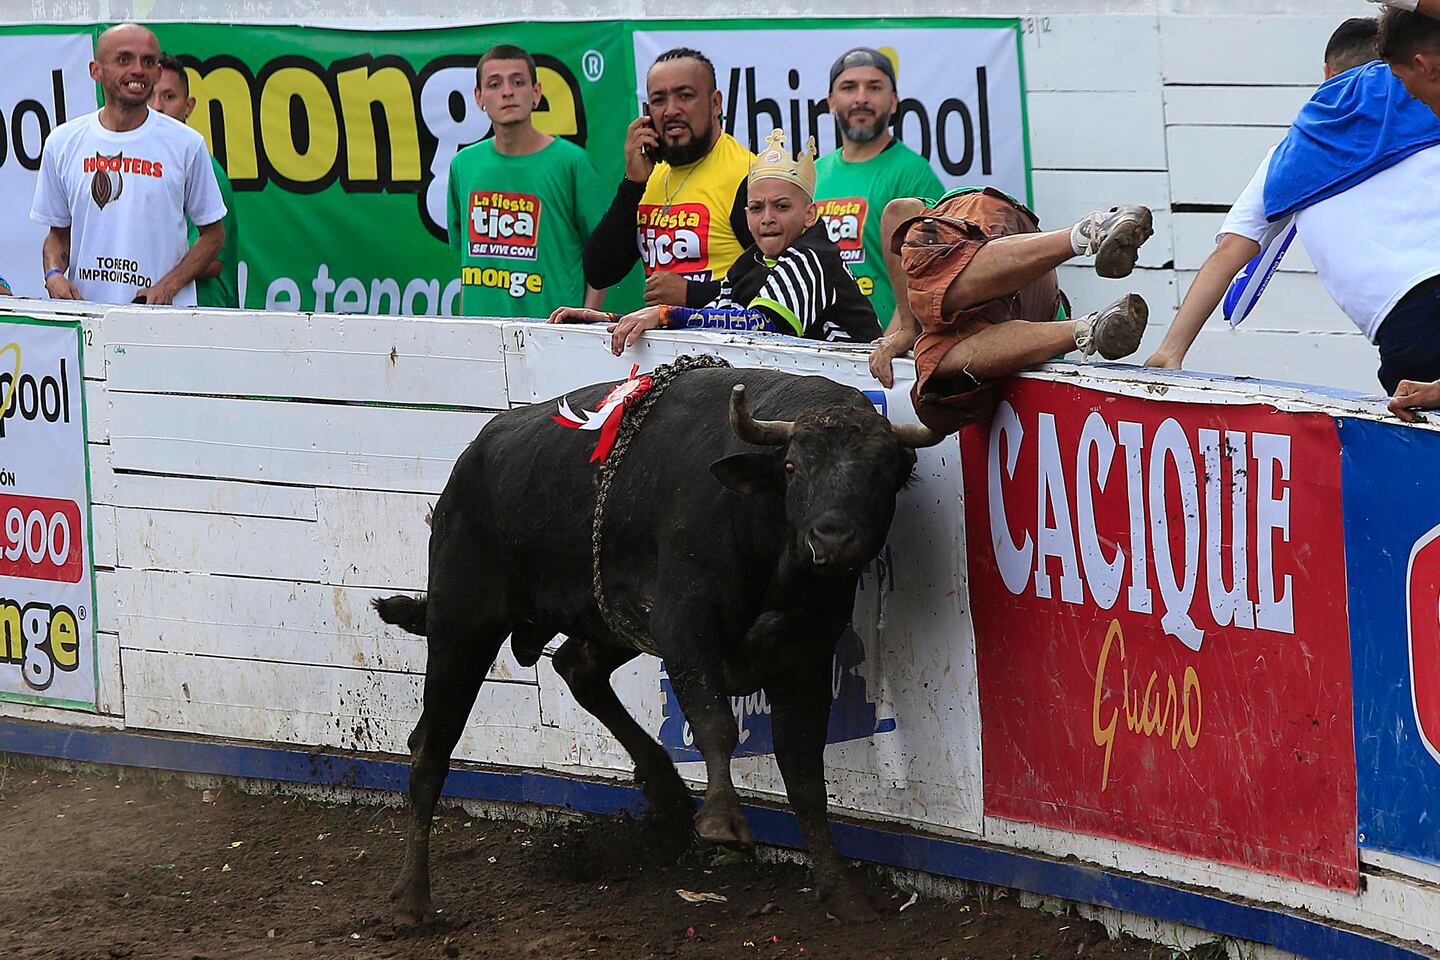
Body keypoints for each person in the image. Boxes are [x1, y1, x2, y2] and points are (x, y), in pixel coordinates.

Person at [1147, 18, 1440, 397]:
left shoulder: (1286, 157)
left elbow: (1228, 254)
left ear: (1326, 73)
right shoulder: (1422, 91)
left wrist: (1169, 352)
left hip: (1405, 321)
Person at [550, 129, 880, 355]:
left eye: (782, 206)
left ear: (809, 215)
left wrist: (664, 314)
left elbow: (761, 329)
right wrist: (615, 322)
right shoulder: (750, 260)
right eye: (755, 207)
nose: (767, 218)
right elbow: (711, 322)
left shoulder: (812, 255)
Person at [884, 186, 1152, 432]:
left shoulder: (940, 334)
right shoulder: (940, 350)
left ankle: (1086, 315)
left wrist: (908, 328)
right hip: (1032, 271)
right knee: (934, 353)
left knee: (929, 305)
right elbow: (897, 211)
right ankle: (1092, 323)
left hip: (979, 224)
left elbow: (899, 210)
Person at [31, 23, 226, 306]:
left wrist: (168, 287)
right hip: (88, 317)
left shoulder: (187, 144)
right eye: (124, 60)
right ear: (96, 71)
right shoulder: (63, 142)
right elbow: (58, 234)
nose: (138, 70)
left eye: (148, 62)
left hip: (162, 322)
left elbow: (214, 235)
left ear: (158, 74)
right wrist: (53, 273)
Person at [582, 48, 754, 309]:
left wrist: (693, 294)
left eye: (685, 96)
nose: (671, 110)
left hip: (727, 347)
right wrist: (632, 184)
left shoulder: (749, 175)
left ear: (716, 103)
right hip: (660, 347)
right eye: (659, 100)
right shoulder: (649, 175)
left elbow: (780, 286)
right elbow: (600, 272)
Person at [448, 44, 607, 319]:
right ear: (479, 97)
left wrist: (584, 321)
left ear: (536, 93)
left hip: (553, 337)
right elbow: (468, 261)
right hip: (480, 336)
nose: (507, 92)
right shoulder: (463, 164)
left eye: (518, 82)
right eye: (494, 84)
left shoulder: (572, 163)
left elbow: (604, 256)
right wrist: (465, 325)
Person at [815, 47, 944, 386]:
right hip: (818, 354)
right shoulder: (814, 174)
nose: (861, 98)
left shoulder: (912, 174)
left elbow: (927, 276)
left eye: (874, 87)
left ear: (893, 101)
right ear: (830, 101)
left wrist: (888, 347)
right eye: (848, 87)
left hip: (886, 358)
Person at [149, 53, 240, 308]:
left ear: (188, 106)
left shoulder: (206, 168)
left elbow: (212, 261)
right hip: (157, 315)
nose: (156, 107)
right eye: (149, 96)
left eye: (169, 97)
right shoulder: (141, 166)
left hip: (203, 315)